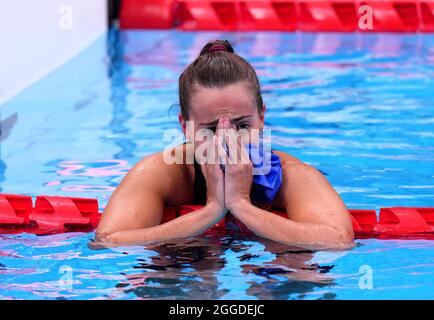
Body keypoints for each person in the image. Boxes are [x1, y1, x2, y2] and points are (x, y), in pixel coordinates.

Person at [95, 40, 354, 250]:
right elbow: (107, 240)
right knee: (174, 257)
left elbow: (338, 240)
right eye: (209, 130)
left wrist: (240, 203)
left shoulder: (289, 174)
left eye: (242, 127)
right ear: (185, 127)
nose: (226, 140)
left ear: (261, 118)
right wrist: (213, 209)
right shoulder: (163, 172)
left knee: (295, 260)